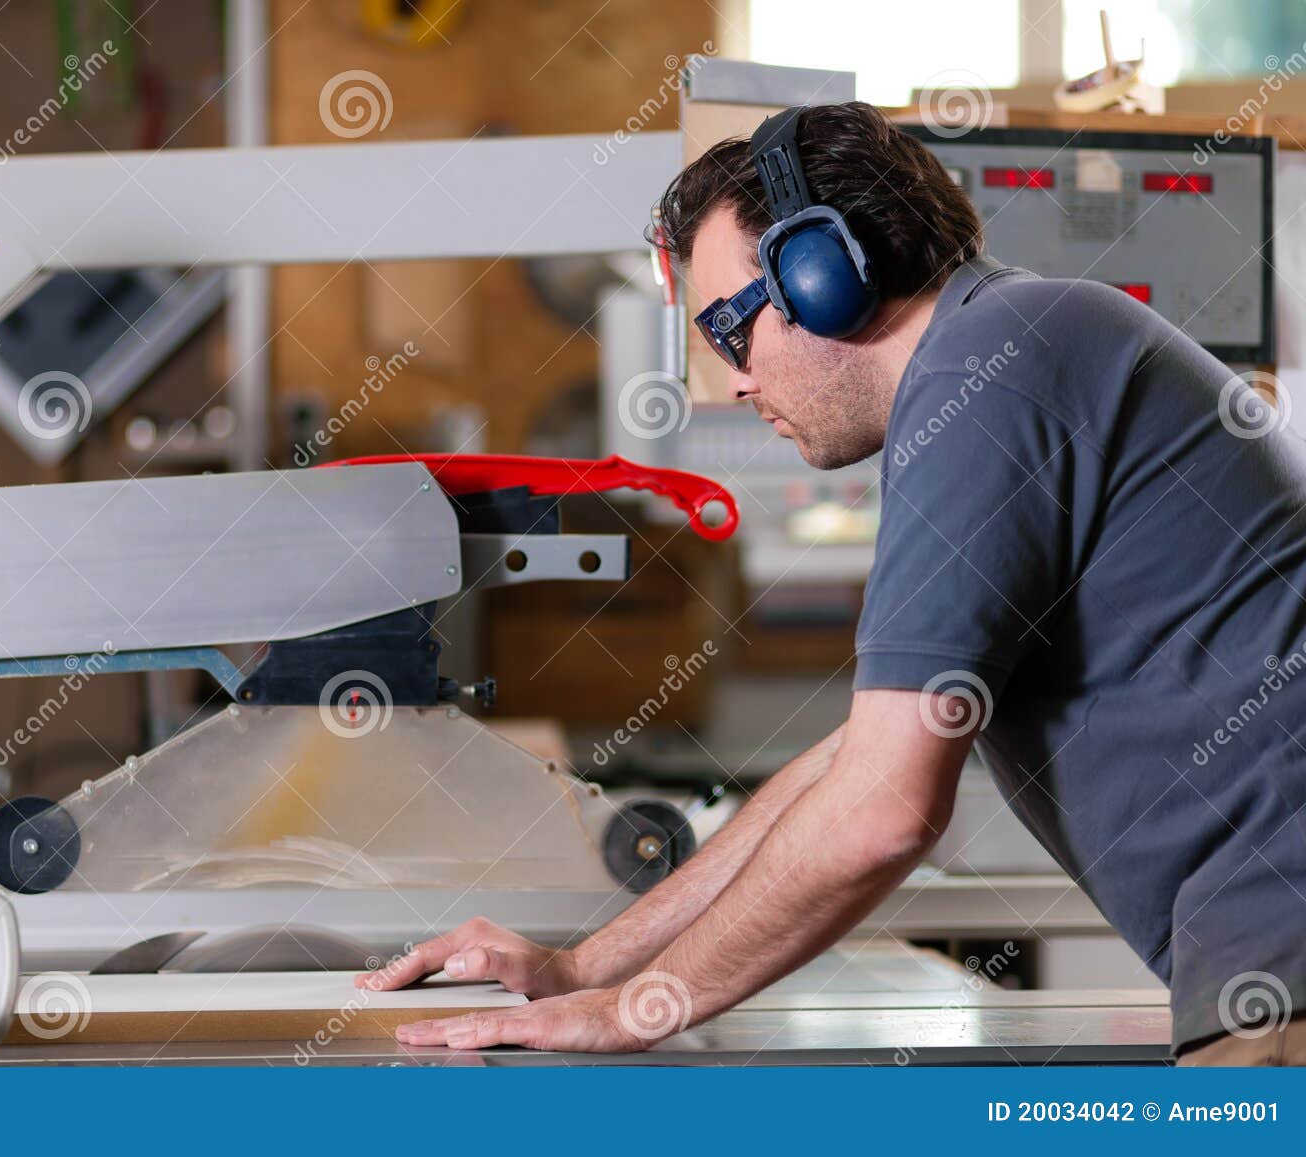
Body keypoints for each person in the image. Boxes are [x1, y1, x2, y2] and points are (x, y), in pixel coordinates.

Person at [356, 101, 1306, 1065]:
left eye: (730, 331)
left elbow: (883, 813)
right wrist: (587, 970)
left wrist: (627, 1013)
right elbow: (857, 763)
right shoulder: (1011, 350)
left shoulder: (993, 370)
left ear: (825, 274)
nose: (733, 379)